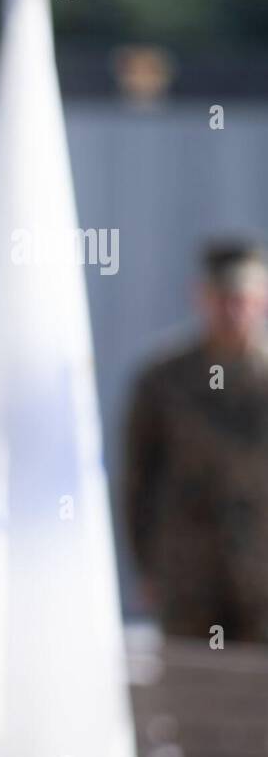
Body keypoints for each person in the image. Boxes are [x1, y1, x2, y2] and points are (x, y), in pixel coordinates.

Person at [124, 239, 268, 644]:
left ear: (261, 300)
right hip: (190, 578)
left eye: (242, 299)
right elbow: (137, 479)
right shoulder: (163, 381)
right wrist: (146, 565)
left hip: (262, 579)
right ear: (202, 298)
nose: (232, 311)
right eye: (222, 298)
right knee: (191, 692)